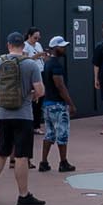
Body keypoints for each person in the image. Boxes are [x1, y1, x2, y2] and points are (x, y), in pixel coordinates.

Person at [0, 32, 46, 205]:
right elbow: (40, 91)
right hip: (23, 116)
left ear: (8, 45)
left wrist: (2, 90)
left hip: (3, 115)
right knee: (22, 156)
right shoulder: (31, 65)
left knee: (2, 151)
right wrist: (29, 93)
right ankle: (23, 195)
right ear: (23, 46)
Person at [35, 35, 76, 174]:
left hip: (47, 103)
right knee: (62, 133)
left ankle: (44, 162)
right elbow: (60, 85)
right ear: (55, 48)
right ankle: (63, 162)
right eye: (62, 46)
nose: (64, 48)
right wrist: (70, 103)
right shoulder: (56, 65)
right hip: (57, 104)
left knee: (49, 133)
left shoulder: (47, 63)